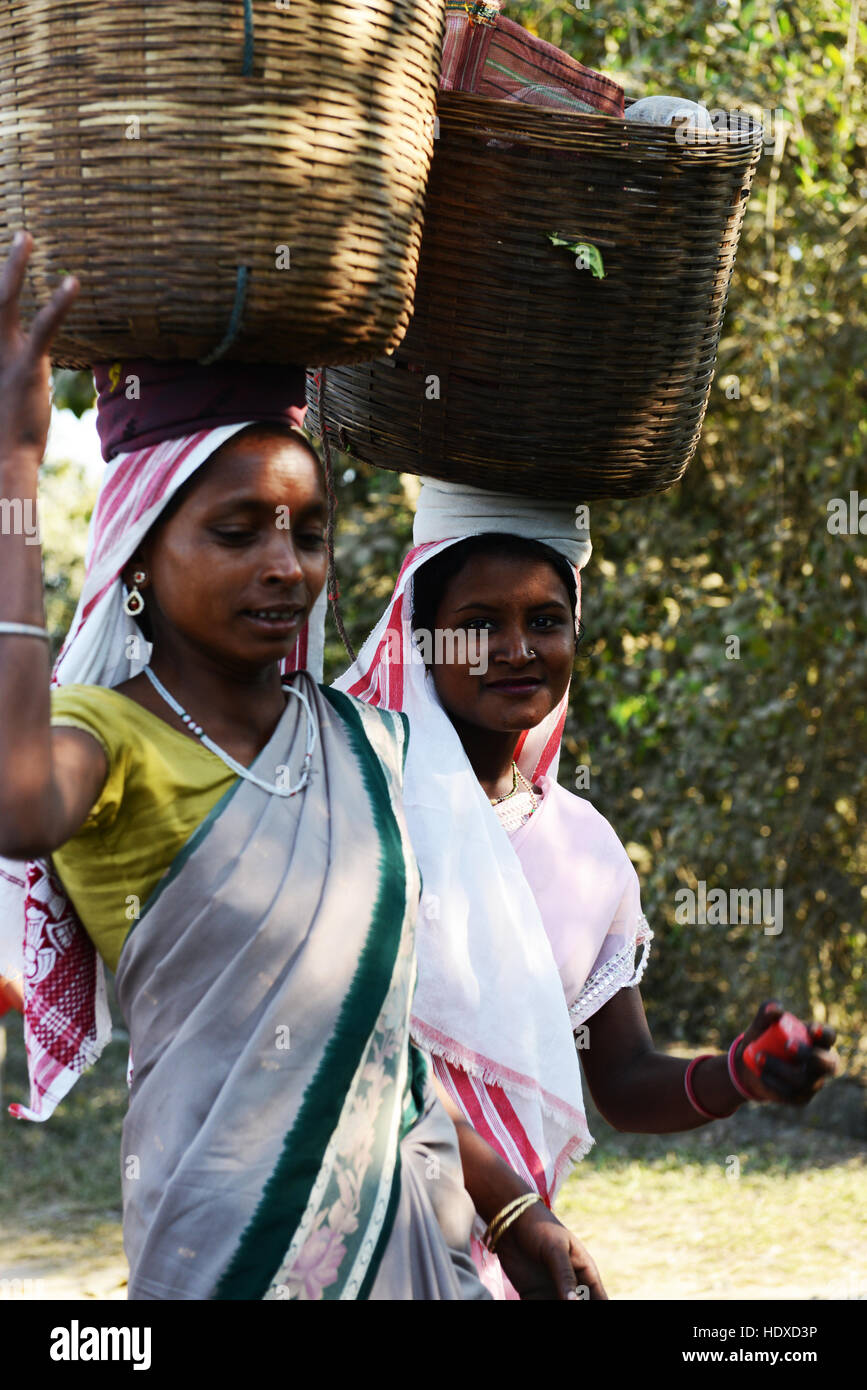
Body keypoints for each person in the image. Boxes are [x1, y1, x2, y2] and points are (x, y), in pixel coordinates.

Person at [0, 232, 606, 1301]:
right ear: (139, 551)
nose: (286, 566)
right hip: (228, 1246)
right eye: (238, 531)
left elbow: (377, 1038)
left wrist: (513, 1207)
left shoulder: (363, 743)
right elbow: (13, 803)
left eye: (309, 532)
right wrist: (11, 478)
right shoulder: (107, 734)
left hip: (412, 1236)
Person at [336, 479, 839, 1298]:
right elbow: (356, 1053)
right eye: (477, 626)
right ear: (416, 639)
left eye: (544, 621)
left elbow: (623, 1078)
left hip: (514, 1260)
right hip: (351, 1242)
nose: (517, 648)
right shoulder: (353, 804)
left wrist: (737, 1072)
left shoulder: (585, 848)